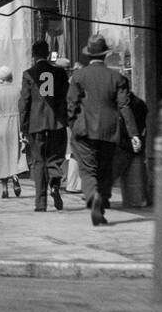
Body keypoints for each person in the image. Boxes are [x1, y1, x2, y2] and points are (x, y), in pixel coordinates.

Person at [66, 33, 141, 225]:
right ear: (105, 55)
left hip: (84, 130)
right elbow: (124, 106)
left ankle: (93, 198)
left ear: (89, 55)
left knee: (88, 169)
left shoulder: (78, 76)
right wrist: (133, 134)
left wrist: (73, 124)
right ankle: (102, 199)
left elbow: (71, 104)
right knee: (105, 168)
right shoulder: (117, 77)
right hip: (109, 130)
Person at [18, 39, 69, 212]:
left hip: (36, 123)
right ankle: (54, 183)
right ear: (48, 54)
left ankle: (40, 203)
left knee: (39, 161)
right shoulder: (60, 73)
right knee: (55, 156)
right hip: (57, 123)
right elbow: (66, 98)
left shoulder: (28, 74)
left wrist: (23, 127)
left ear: (33, 55)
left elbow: (24, 102)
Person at [0, 66, 23, 199]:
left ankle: (4, 188)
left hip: (2, 124)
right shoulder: (18, 90)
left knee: (2, 156)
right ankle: (15, 175)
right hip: (17, 123)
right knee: (15, 153)